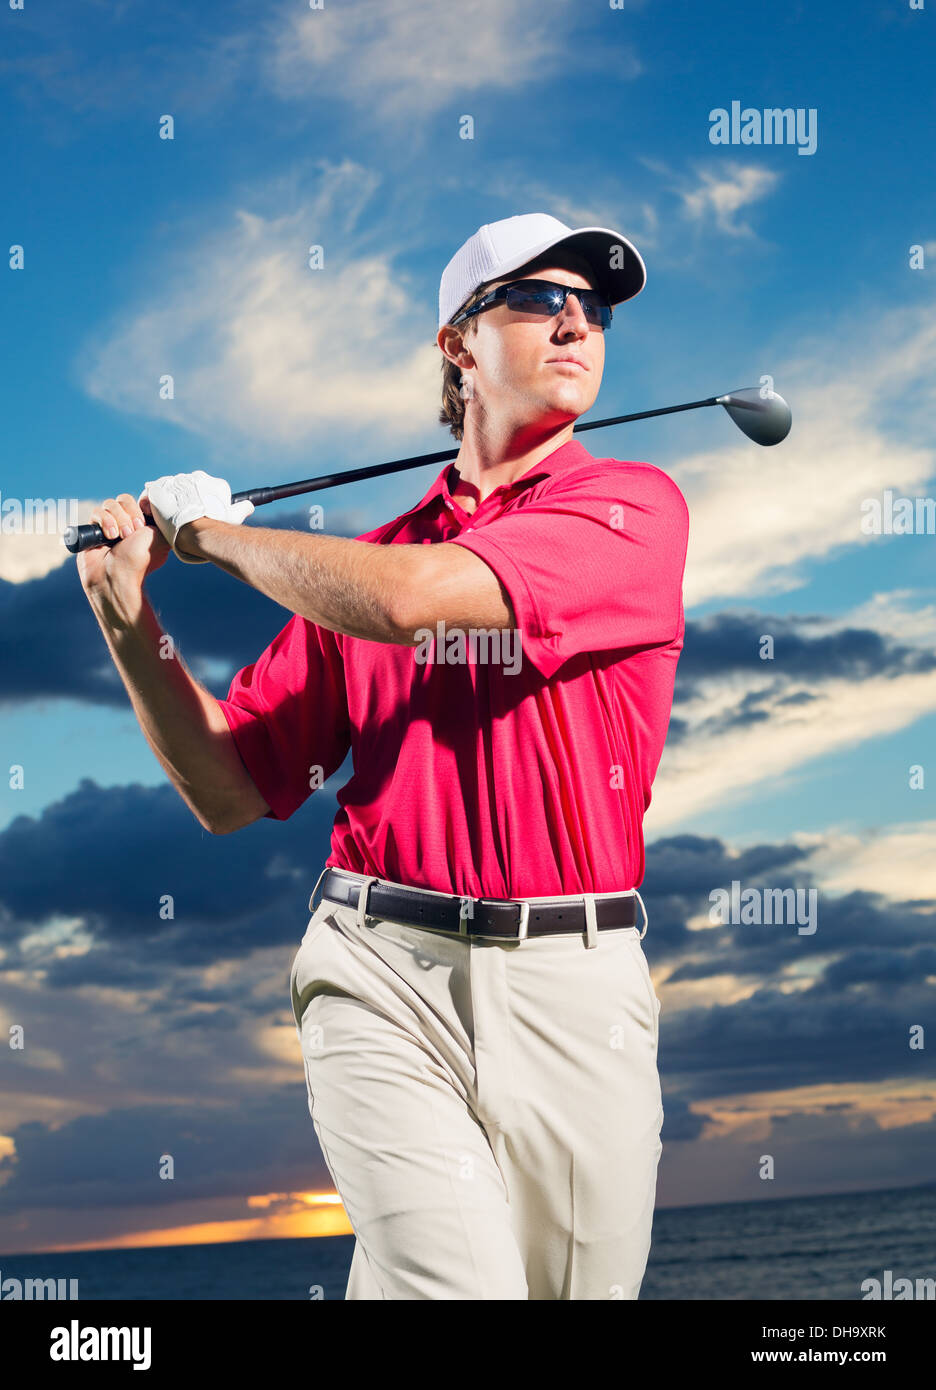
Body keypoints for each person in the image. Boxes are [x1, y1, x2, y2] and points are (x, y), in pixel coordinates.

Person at [77, 212, 690, 1300]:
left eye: (593, 308)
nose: (576, 323)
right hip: (380, 969)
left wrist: (206, 537)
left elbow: (418, 604)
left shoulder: (631, 508)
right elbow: (229, 785)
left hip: (576, 989)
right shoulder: (357, 571)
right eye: (541, 300)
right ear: (457, 344)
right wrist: (132, 620)